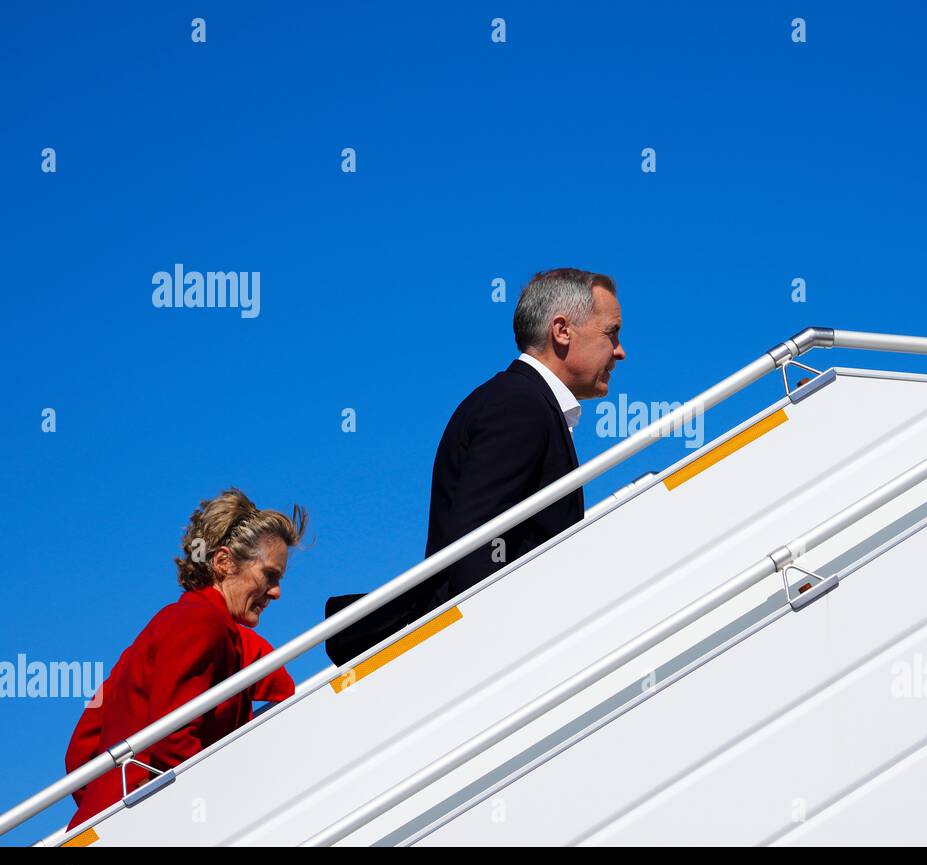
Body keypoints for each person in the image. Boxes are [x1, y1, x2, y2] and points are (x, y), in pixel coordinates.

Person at [325, 267, 625, 665]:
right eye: (612, 333)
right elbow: (476, 547)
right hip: (488, 654)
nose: (620, 351)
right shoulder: (521, 406)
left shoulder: (524, 402)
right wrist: (489, 657)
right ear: (562, 330)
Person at [64, 488, 308, 830]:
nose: (277, 592)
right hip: (148, 822)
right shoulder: (201, 625)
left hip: (110, 821)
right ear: (224, 563)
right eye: (270, 575)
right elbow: (172, 738)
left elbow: (81, 748)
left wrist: (103, 798)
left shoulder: (187, 624)